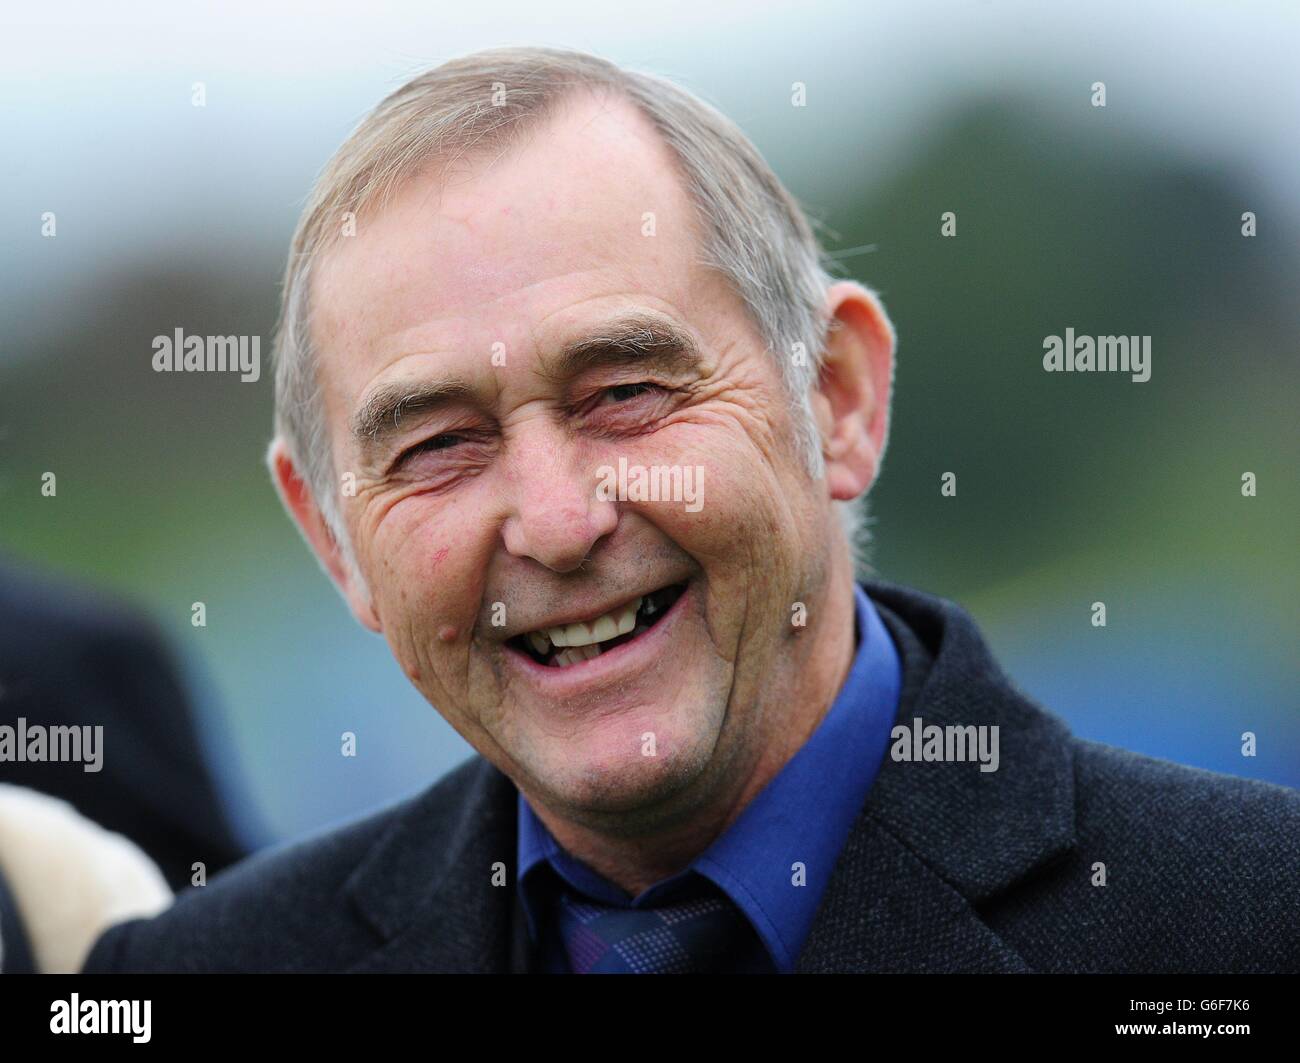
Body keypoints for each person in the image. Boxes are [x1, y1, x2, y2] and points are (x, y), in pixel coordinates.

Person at [83, 46, 1299, 974]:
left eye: (624, 393)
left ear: (837, 396)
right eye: (441, 444)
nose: (557, 522)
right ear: (332, 538)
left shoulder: (1247, 922)